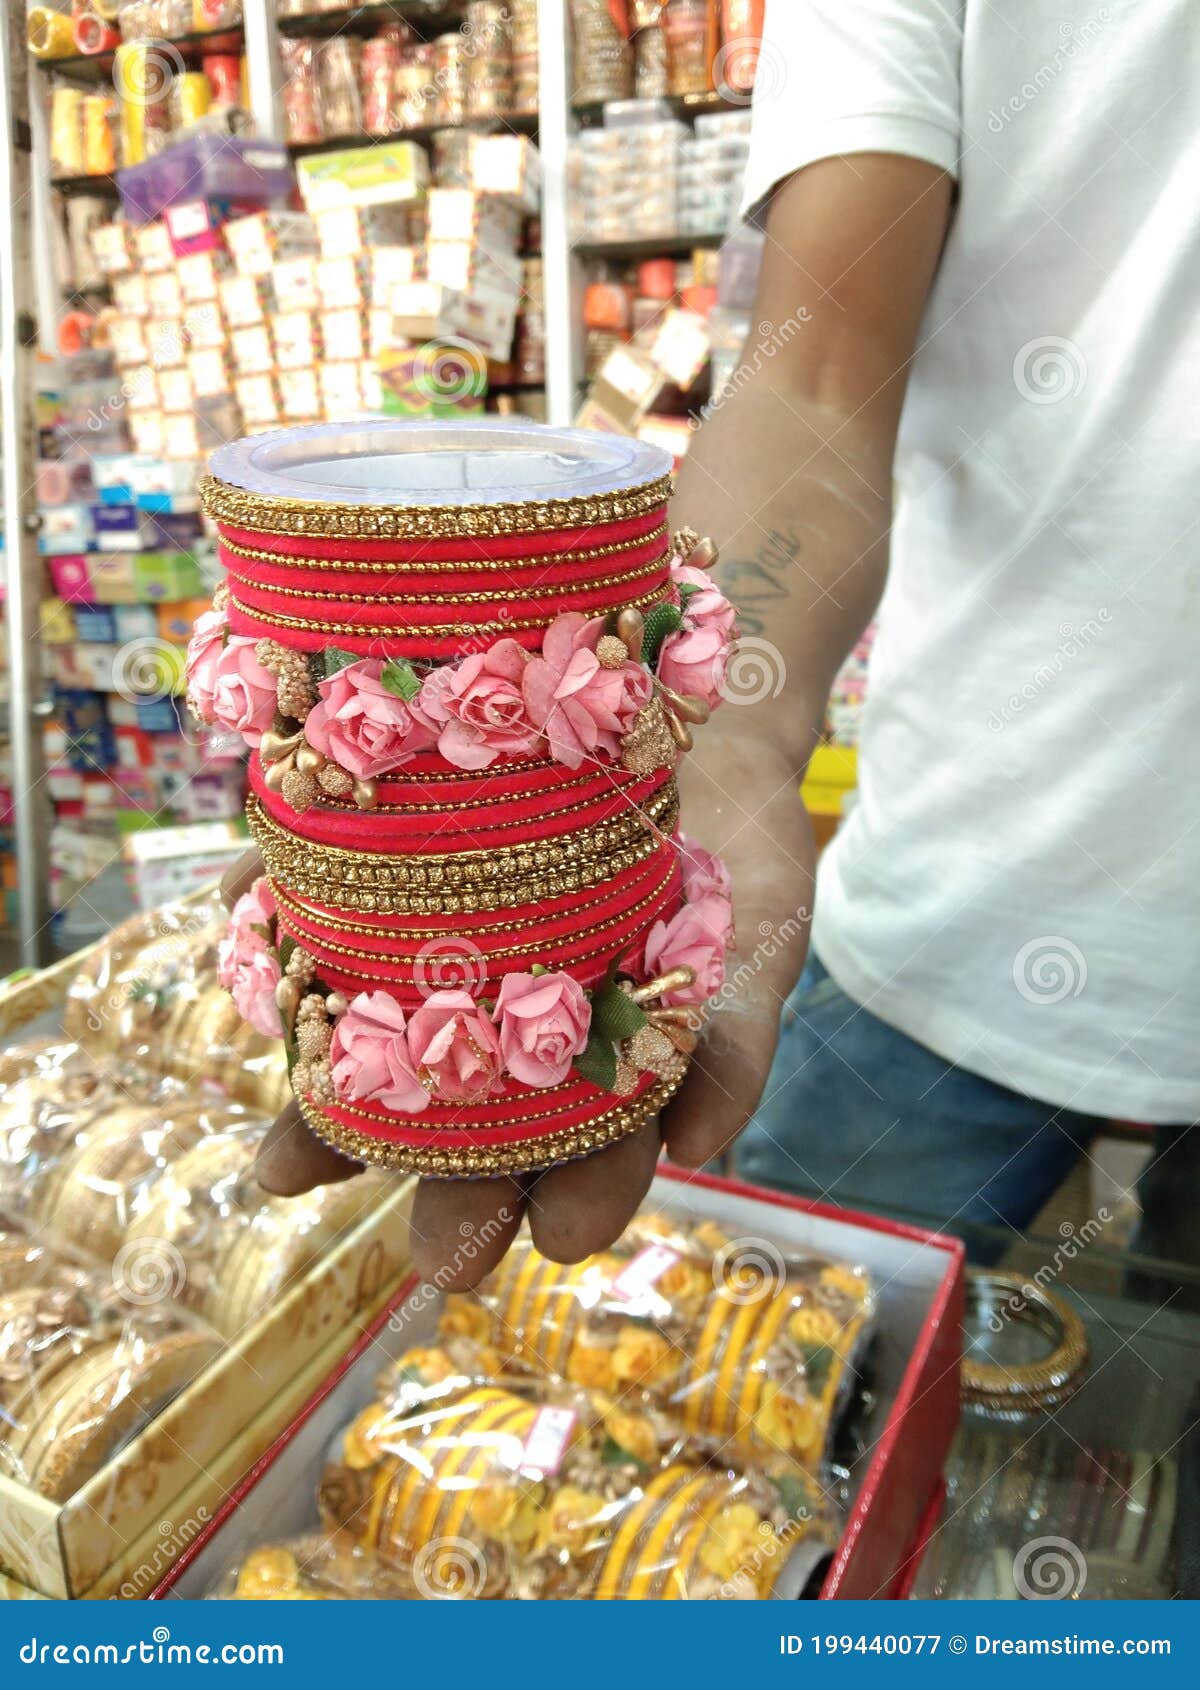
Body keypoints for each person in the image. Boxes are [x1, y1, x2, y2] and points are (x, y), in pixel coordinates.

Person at [229, 0, 1198, 1288]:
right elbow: (817, 369)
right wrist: (723, 735)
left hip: (953, 911)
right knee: (774, 1364)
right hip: (961, 912)